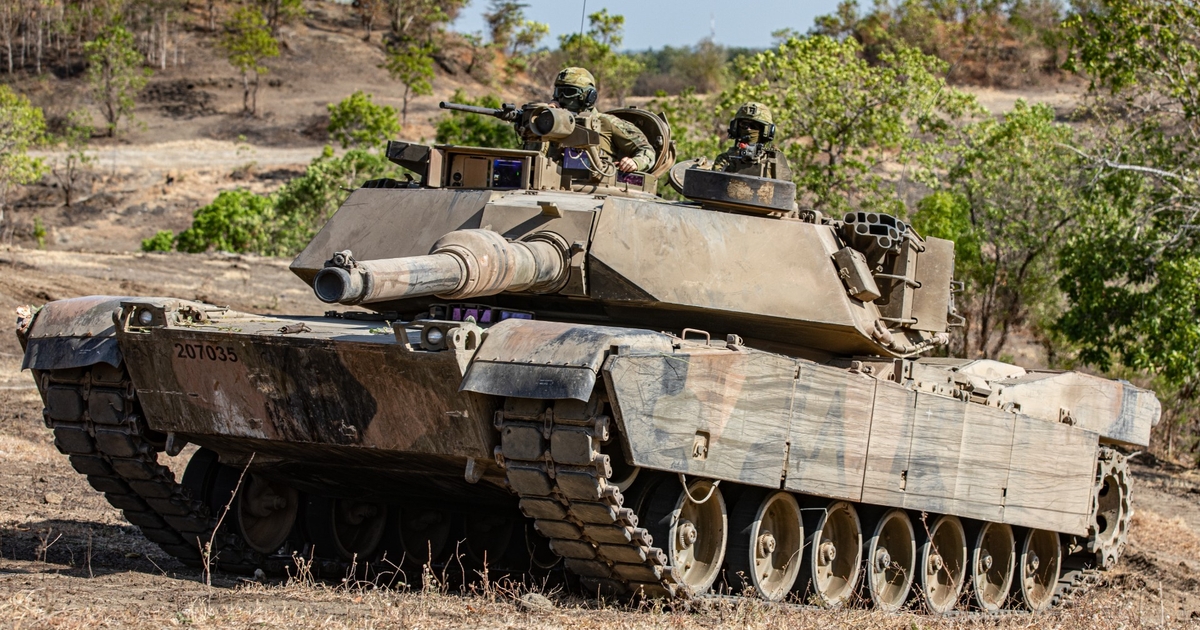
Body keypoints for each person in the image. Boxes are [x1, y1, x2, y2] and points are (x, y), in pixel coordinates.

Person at [534, 67, 656, 174]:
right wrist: (543, 121)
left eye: (569, 92)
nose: (562, 98)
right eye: (558, 92)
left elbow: (647, 150)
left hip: (596, 187)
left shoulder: (606, 123)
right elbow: (533, 157)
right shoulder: (548, 125)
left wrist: (635, 162)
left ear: (588, 96)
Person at [712, 102, 792, 181]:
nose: (748, 129)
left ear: (766, 132)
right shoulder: (725, 160)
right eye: (744, 125)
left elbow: (785, 190)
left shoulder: (774, 160)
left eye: (754, 126)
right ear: (736, 128)